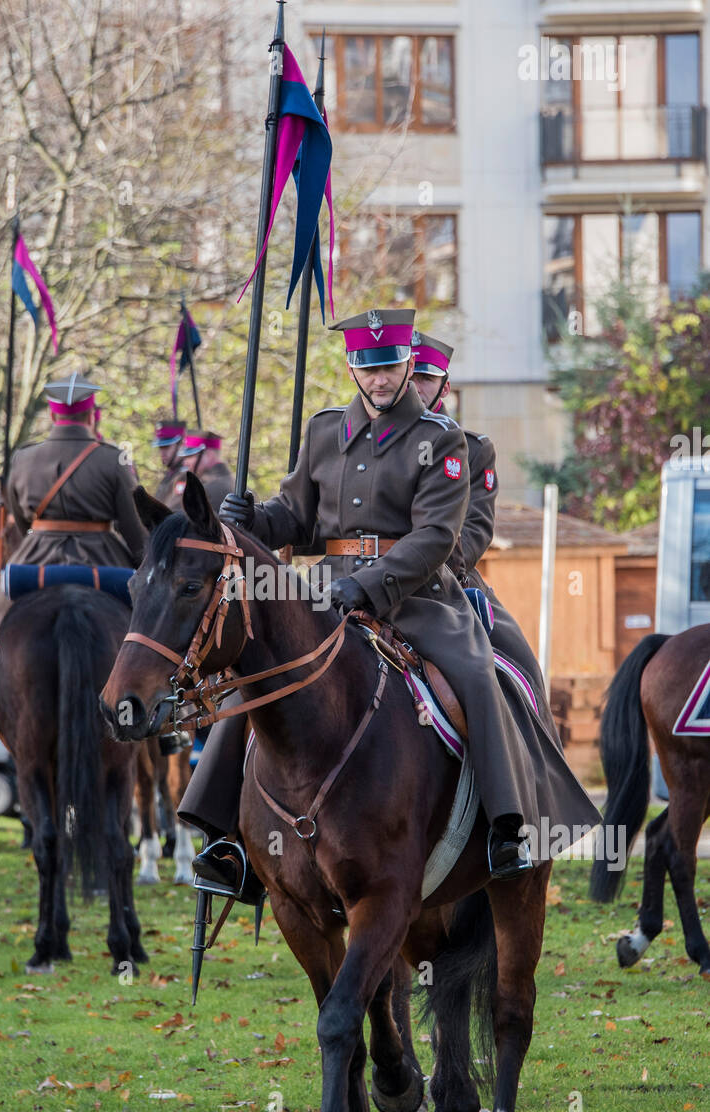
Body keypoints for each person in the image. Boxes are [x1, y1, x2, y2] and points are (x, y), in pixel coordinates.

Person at [180, 307, 599, 897]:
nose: (380, 379)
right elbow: (297, 517)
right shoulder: (325, 430)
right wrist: (255, 522)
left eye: (391, 366)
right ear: (352, 367)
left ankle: (509, 826)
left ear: (406, 366)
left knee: (477, 672)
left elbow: (436, 537)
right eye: (368, 367)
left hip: (417, 597)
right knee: (258, 670)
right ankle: (225, 837)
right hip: (324, 590)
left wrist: (368, 585)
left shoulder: (441, 439)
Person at [0, 373, 145, 754]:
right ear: (91, 414)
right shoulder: (114, 460)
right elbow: (135, 529)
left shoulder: (23, 458)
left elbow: (19, 519)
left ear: (52, 412)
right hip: (105, 566)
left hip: (35, 563)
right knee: (152, 632)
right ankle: (166, 723)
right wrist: (146, 565)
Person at [409, 331, 556, 734]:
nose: (415, 386)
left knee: (520, 663)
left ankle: (532, 782)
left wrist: (430, 557)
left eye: (426, 377)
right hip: (360, 573)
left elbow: (475, 529)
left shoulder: (472, 449)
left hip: (446, 579)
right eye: (410, 374)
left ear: (445, 386)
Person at [153, 417, 188, 505]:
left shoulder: (185, 475)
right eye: (160, 447)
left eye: (166, 447)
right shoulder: (170, 474)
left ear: (181, 445)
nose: (162, 453)